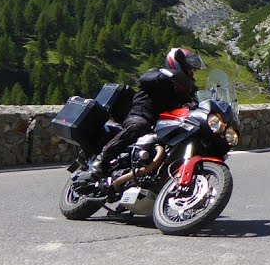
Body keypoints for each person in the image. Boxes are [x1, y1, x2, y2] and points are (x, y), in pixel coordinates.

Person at [85, 47, 204, 182]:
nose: (191, 72)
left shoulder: (184, 91)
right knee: (139, 126)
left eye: (192, 70)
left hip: (163, 125)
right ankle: (101, 160)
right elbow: (144, 79)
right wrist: (167, 76)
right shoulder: (157, 73)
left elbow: (195, 104)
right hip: (141, 116)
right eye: (189, 68)